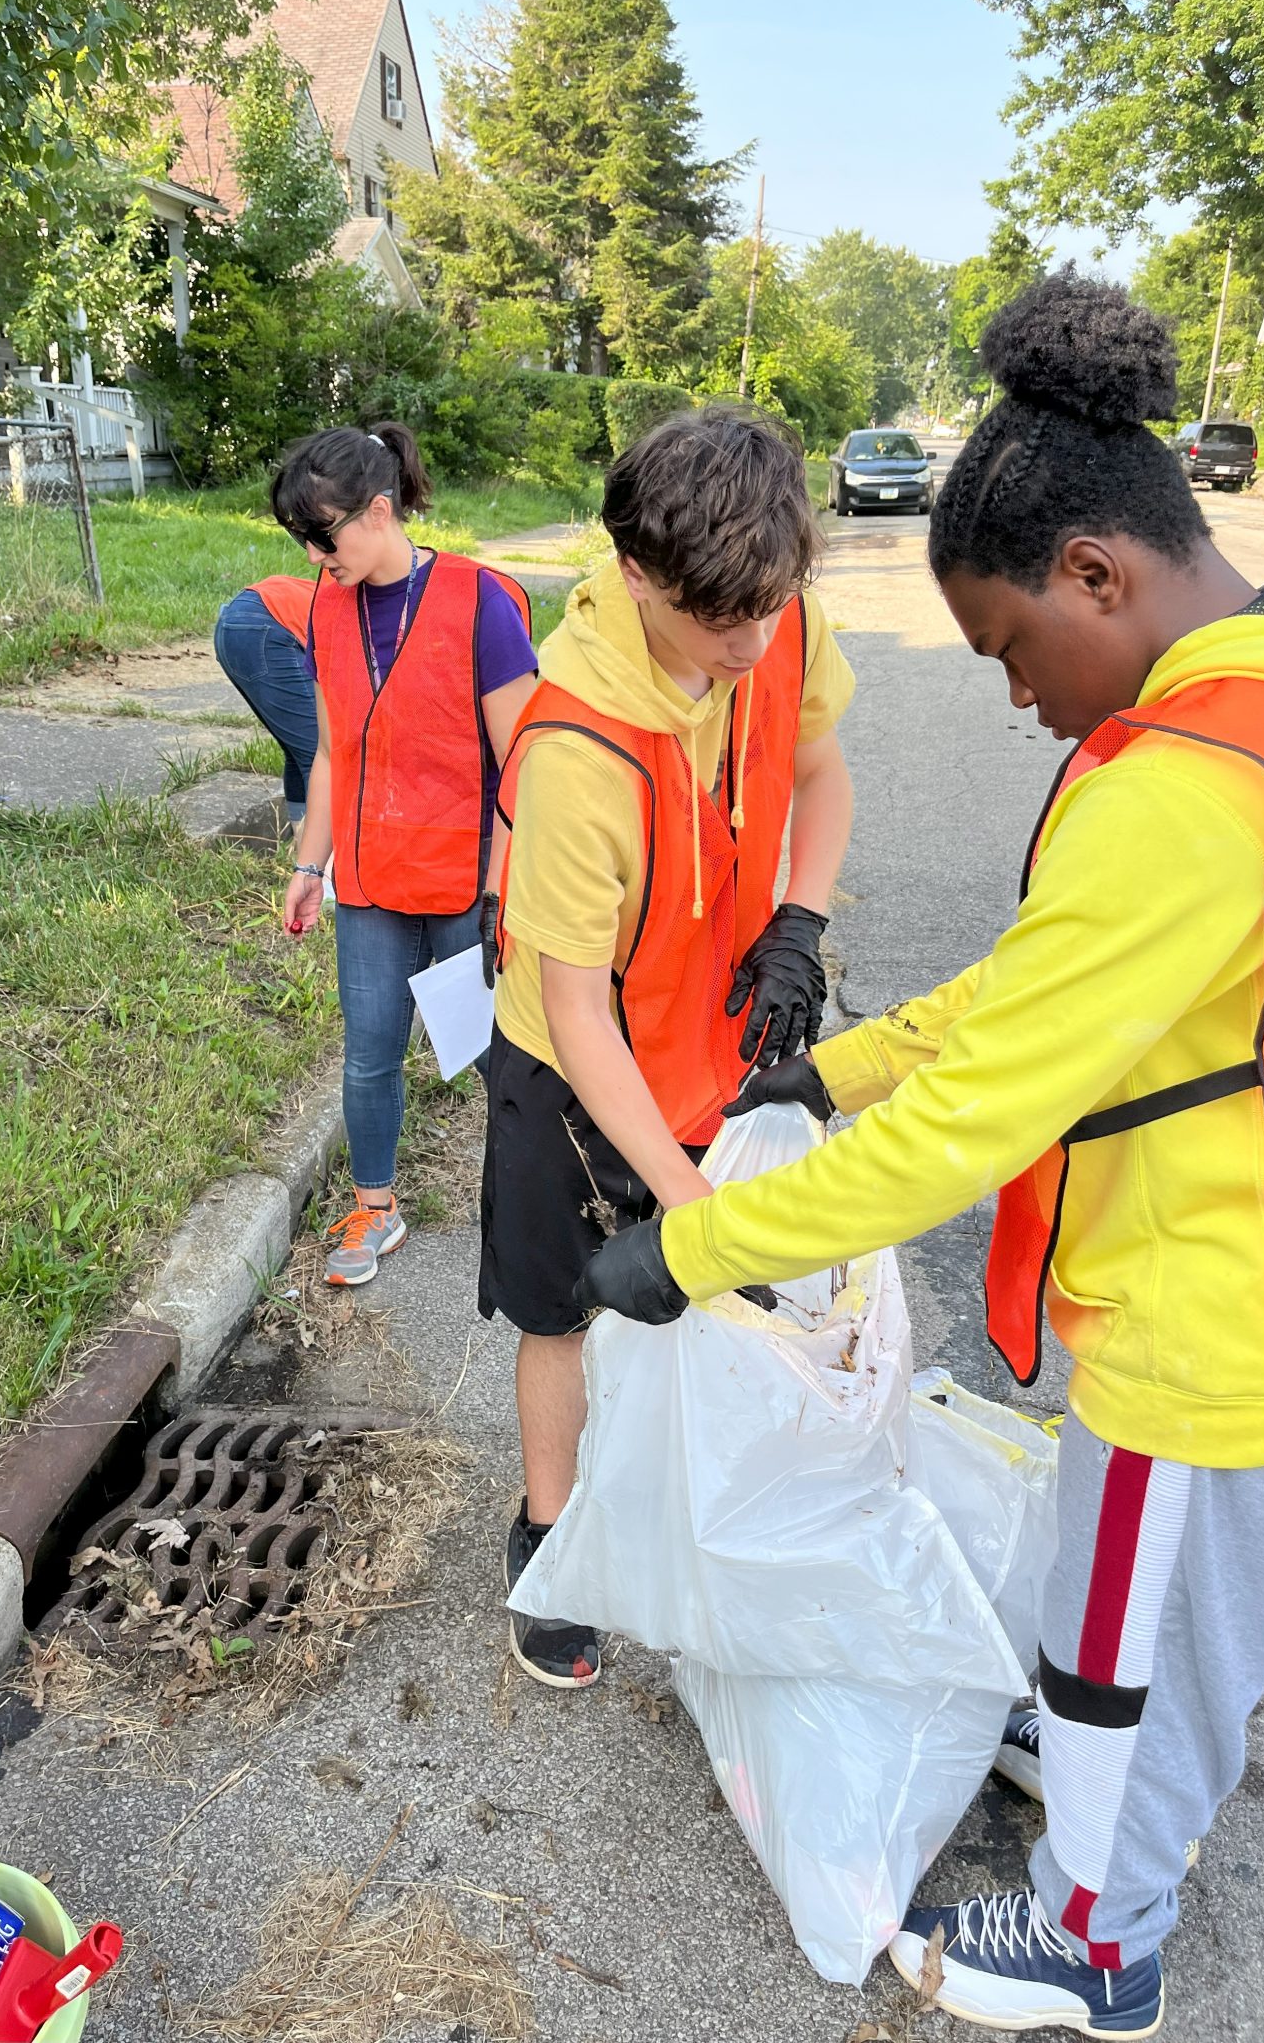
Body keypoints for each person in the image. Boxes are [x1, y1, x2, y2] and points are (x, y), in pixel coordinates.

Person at [575, 273, 1264, 2037]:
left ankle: (1099, 1937)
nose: (1010, 695)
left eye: (1004, 649)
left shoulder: (1184, 780)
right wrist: (826, 1071)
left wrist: (682, 1252)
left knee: (1146, 1631)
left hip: (1219, 1312)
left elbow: (976, 1117)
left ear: (1094, 575)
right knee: (1146, 1609)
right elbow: (1034, 995)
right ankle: (1095, 1766)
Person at [481, 403, 856, 1688]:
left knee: (679, 1307)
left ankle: (663, 1500)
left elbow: (821, 771)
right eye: (721, 622)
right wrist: (698, 1207)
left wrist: (800, 920)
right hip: (571, 1073)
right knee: (564, 1307)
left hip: (713, 1026)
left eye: (774, 607)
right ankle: (548, 1534)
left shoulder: (769, 606)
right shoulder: (574, 749)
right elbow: (578, 1012)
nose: (754, 645)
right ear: (638, 576)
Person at [279, 422, 538, 1285]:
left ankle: (533, 1205)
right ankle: (376, 1210)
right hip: (374, 880)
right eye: (302, 542)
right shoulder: (327, 607)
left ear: (379, 511)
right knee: (370, 1049)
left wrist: (505, 891)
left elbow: (525, 765)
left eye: (325, 535)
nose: (317, 557)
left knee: (503, 1054)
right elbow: (331, 751)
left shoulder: (481, 603)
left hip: (469, 881)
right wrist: (309, 865)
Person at [214, 572, 320, 835]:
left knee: (300, 751)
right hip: (266, 626)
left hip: (234, 622)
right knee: (320, 755)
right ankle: (322, 866)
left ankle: (301, 844)